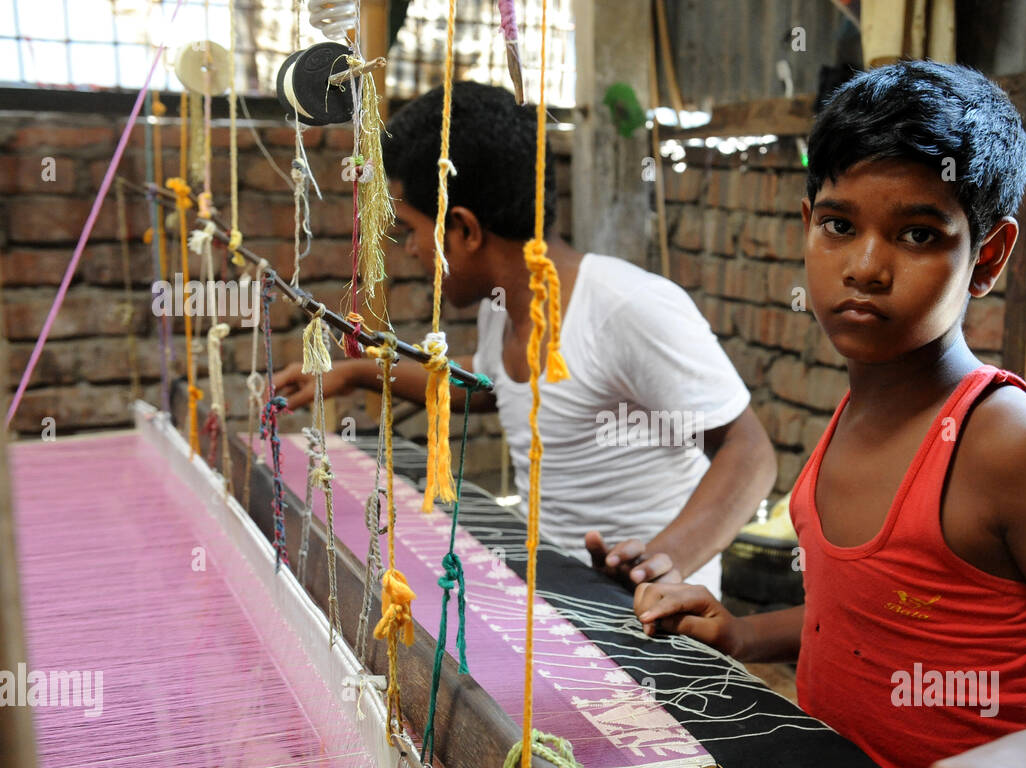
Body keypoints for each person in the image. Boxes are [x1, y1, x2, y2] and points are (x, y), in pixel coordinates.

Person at [631, 61, 1026, 768]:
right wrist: (744, 632)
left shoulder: (1012, 450)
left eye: (917, 234)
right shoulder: (855, 407)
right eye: (839, 225)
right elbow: (878, 619)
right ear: (806, 224)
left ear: (990, 255)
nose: (866, 265)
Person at [274, 82, 775, 593]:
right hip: (556, 593)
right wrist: (356, 372)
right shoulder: (504, 305)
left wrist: (661, 561)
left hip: (649, 617)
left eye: (412, 229)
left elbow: (749, 449)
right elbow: (494, 387)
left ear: (465, 231)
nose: (410, 251)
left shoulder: (629, 308)